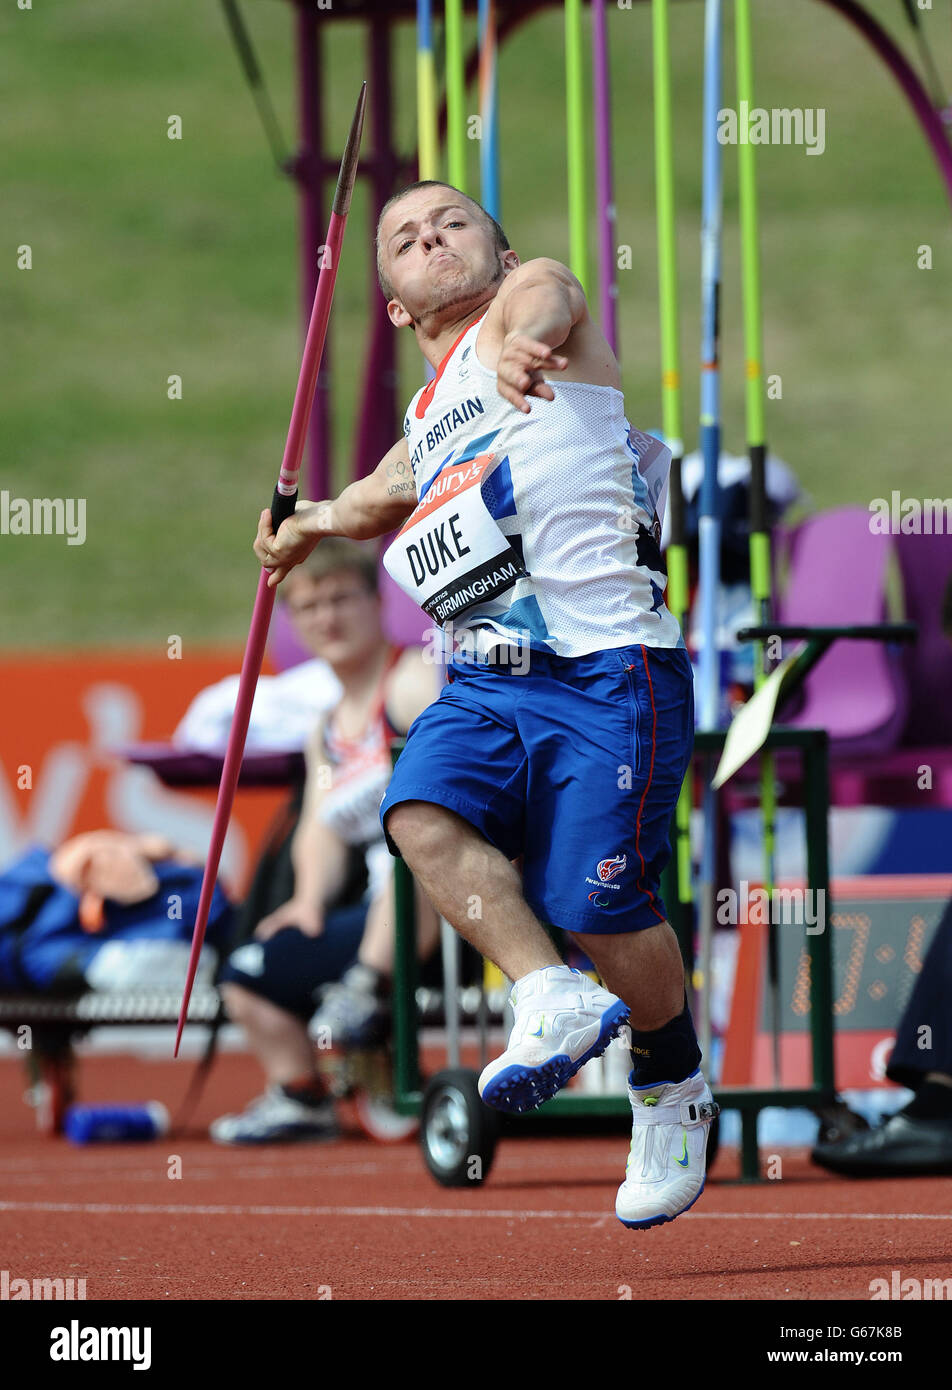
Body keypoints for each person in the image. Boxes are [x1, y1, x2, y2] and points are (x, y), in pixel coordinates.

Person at [253, 181, 718, 1226]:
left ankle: (672, 1074)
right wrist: (307, 526)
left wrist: (523, 344)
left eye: (451, 222)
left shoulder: (532, 309)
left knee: (599, 902)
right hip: (486, 683)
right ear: (397, 309)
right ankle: (546, 993)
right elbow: (380, 495)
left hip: (608, 668)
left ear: (496, 257)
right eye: (404, 239)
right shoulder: (425, 415)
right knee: (416, 811)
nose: (429, 237)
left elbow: (550, 294)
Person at [210, 538, 439, 1145]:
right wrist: (308, 900)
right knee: (247, 971)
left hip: (452, 907)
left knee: (417, 837)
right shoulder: (326, 731)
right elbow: (321, 828)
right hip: (377, 914)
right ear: (293, 622)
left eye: (342, 599)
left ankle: (364, 991)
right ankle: (300, 1096)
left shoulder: (414, 685)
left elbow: (461, 800)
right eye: (310, 607)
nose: (328, 618)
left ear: (375, 602)